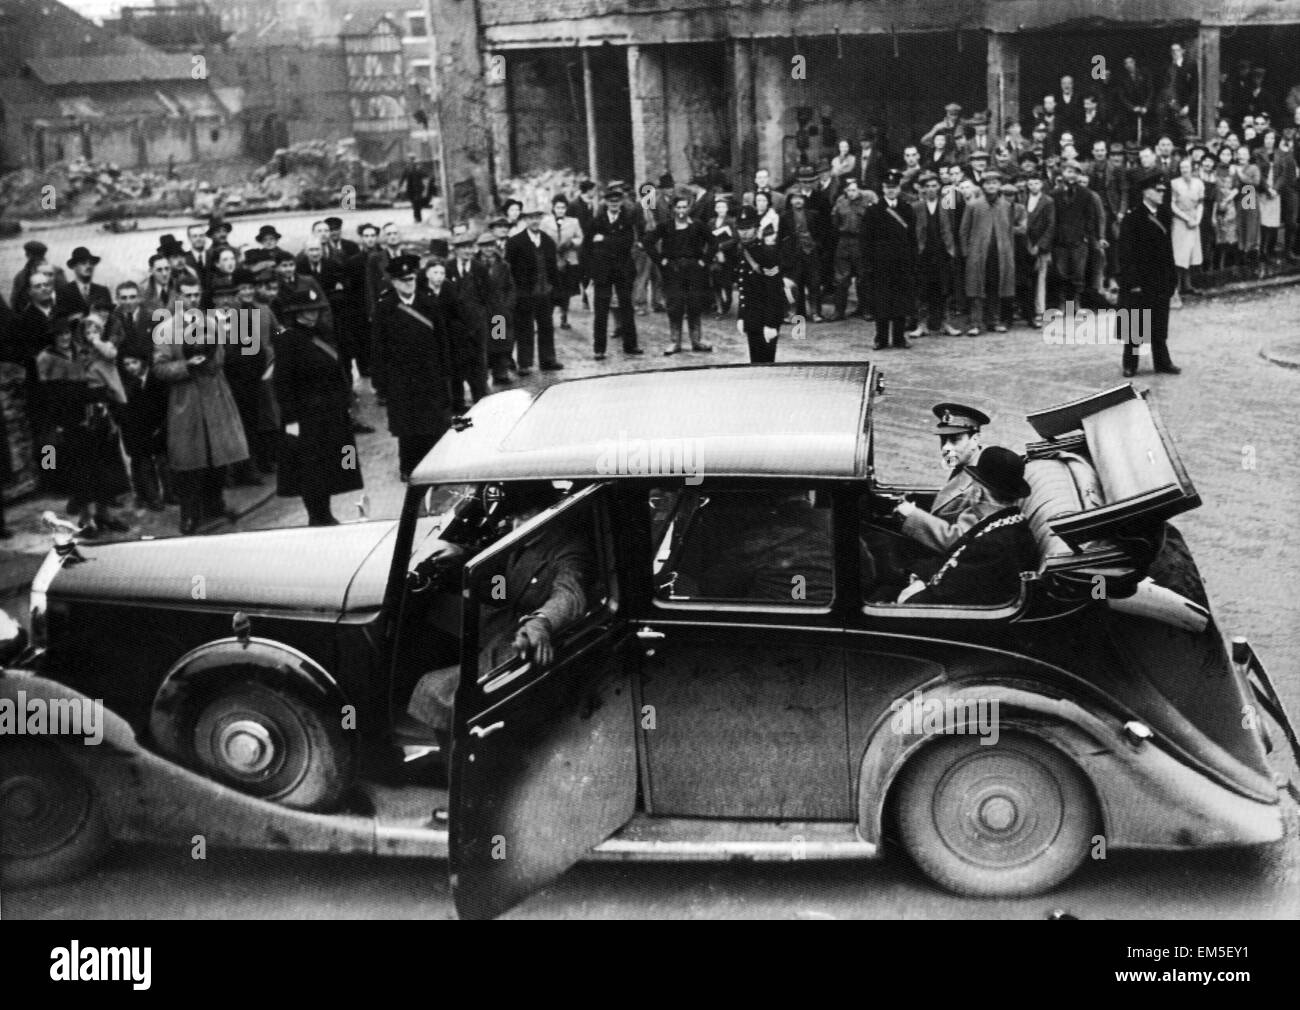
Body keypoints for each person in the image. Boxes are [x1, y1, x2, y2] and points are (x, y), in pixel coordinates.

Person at [406, 480, 592, 735]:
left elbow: (570, 596)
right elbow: (497, 561)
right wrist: (460, 552)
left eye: (525, 517)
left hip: (524, 639)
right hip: (506, 620)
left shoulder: (569, 548)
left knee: (434, 688)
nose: (515, 526)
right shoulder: (529, 534)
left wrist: (541, 621)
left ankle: (455, 757)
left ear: (548, 510)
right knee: (431, 613)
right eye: (513, 517)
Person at [152, 277, 250, 534]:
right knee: (189, 461)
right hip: (186, 400)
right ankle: (190, 513)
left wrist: (209, 357)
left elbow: (221, 357)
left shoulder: (211, 323)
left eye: (197, 295)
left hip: (215, 396)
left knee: (217, 456)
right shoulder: (166, 330)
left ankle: (215, 504)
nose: (193, 300)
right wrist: (186, 366)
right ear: (178, 298)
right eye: (188, 295)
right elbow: (159, 368)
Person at [897, 447, 1037, 606]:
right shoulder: (1003, 524)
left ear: (978, 493)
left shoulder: (993, 545)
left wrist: (909, 597)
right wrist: (922, 574)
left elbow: (951, 591)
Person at [272, 286, 364, 527]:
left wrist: (347, 401)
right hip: (306, 415)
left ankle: (326, 511)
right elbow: (282, 382)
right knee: (310, 469)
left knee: (336, 462)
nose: (311, 315)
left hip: (332, 411)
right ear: (295, 313)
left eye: (314, 310)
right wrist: (291, 419)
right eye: (305, 311)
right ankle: (317, 514)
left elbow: (339, 370)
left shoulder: (325, 333)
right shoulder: (287, 339)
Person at [36, 315, 132, 537]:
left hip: (97, 418)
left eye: (67, 333)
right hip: (71, 422)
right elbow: (54, 395)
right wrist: (91, 394)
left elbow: (103, 369)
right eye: (59, 334)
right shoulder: (45, 359)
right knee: (82, 472)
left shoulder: (81, 351)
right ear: (52, 337)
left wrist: (102, 398)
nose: (64, 338)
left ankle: (104, 514)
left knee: (106, 466)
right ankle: (87, 520)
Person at [372, 254, 454, 481]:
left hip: (429, 374)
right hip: (401, 378)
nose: (408, 284)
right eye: (403, 280)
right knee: (407, 428)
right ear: (394, 282)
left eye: (411, 279)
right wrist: (380, 382)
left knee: (434, 425)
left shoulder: (428, 302)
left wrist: (446, 371)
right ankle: (408, 468)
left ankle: (434, 468)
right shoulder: (385, 307)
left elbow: (442, 339)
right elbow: (378, 346)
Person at [1120, 168, 1180, 377]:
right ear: (1146, 192)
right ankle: (1130, 363)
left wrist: (1172, 277)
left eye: (1163, 190)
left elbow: (1168, 248)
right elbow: (1126, 253)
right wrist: (1132, 281)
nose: (1162, 193)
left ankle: (1162, 362)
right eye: (1158, 190)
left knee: (1159, 322)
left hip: (1160, 277)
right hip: (1140, 279)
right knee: (1135, 323)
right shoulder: (1133, 217)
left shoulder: (1164, 214)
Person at [643, 190, 713, 355]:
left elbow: (713, 243)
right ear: (673, 209)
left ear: (689, 208)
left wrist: (704, 261)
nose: (681, 211)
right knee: (675, 305)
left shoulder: (697, 225)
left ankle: (697, 340)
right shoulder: (666, 226)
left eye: (684, 207)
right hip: (673, 271)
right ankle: (675, 342)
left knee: (694, 304)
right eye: (678, 207)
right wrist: (661, 261)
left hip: (694, 270)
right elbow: (648, 242)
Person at [583, 185, 644, 360]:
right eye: (611, 201)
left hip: (623, 270)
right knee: (601, 310)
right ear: (606, 203)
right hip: (602, 271)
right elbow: (587, 246)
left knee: (627, 308)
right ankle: (599, 348)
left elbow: (627, 242)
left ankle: (630, 345)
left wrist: (604, 240)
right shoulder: (597, 221)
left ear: (621, 203)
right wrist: (589, 271)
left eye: (617, 201)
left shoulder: (627, 220)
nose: (614, 204)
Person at [960, 169, 1022, 334]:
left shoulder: (1006, 206)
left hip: (1000, 254)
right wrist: (966, 252)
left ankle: (993, 320)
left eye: (995, 183)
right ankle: (975, 323)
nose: (991, 186)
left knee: (996, 286)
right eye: (988, 183)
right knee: (976, 288)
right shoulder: (974, 205)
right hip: (978, 253)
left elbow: (1009, 231)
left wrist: (1010, 253)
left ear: (1000, 185)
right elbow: (964, 231)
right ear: (983, 186)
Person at [862, 168, 917, 350]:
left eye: (894, 187)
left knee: (901, 301)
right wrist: (868, 263)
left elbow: (912, 238)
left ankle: (899, 338)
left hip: (901, 263)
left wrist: (912, 261)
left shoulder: (907, 209)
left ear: (899, 188)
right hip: (881, 263)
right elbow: (866, 239)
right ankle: (881, 338)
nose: (891, 190)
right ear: (882, 189)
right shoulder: (873, 211)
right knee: (882, 301)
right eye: (887, 187)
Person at [506, 201, 563, 374]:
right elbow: (510, 269)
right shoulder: (515, 242)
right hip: (525, 292)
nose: (534, 221)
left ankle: (547, 359)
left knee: (546, 325)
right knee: (525, 327)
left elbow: (553, 268)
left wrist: (556, 290)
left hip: (545, 290)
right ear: (525, 220)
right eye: (530, 218)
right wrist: (516, 292)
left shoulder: (547, 241)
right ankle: (525, 363)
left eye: (537, 217)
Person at [911, 171, 960, 336]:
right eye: (927, 187)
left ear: (939, 187)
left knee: (945, 289)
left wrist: (952, 250)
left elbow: (954, 224)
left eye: (934, 186)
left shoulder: (947, 204)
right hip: (924, 253)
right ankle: (921, 324)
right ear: (923, 189)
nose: (931, 189)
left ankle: (946, 323)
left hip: (943, 252)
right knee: (922, 290)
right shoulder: (917, 207)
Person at [734, 207, 784, 363]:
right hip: (751, 316)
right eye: (741, 229)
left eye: (748, 228)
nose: (744, 233)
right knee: (755, 363)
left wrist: (771, 323)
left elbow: (774, 291)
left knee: (766, 363)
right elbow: (744, 289)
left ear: (757, 229)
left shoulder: (767, 253)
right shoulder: (742, 252)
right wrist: (741, 316)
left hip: (766, 316)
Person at [778, 178, 824, 325]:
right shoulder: (785, 217)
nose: (797, 201)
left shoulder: (813, 215)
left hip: (811, 254)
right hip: (793, 255)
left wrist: (816, 246)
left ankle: (816, 312)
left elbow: (820, 234)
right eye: (795, 199)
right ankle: (795, 313)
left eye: (800, 199)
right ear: (790, 201)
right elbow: (780, 237)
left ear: (804, 201)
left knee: (814, 284)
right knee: (794, 285)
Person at [539, 194, 584, 330]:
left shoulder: (573, 221)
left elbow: (580, 237)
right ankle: (549, 318)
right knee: (551, 289)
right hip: (551, 259)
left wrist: (571, 243)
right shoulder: (546, 222)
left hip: (568, 258)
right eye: (558, 207)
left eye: (563, 208)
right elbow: (539, 237)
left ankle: (564, 317)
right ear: (553, 208)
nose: (560, 210)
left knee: (566, 290)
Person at [1170, 156, 1205, 297]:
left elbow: (1201, 203)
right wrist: (1185, 218)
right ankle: (1176, 287)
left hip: (1194, 219)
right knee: (1179, 254)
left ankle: (1188, 285)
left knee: (1191, 253)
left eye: (1187, 167)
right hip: (1180, 220)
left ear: (1192, 168)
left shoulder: (1199, 183)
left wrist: (1197, 220)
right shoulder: (1174, 183)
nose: (1185, 170)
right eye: (1182, 167)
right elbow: (1172, 204)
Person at [55, 247, 112, 320]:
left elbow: (111, 319)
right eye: (83, 263)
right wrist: (73, 318)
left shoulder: (103, 291)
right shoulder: (63, 292)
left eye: (91, 263)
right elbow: (60, 321)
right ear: (74, 266)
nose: (88, 266)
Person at [707, 194, 738, 315]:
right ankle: (719, 306)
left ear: (727, 208)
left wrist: (722, 246)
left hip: (728, 255)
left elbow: (735, 238)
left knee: (727, 281)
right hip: (714, 255)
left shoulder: (731, 221)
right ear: (715, 209)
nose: (720, 209)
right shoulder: (711, 222)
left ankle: (728, 301)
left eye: (723, 207)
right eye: (718, 207)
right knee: (715, 281)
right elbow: (707, 236)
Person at [399, 155, 430, 224]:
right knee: (414, 203)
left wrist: (425, 189)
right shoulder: (407, 168)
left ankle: (418, 218)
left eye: (412, 159)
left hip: (418, 189)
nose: (411, 161)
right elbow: (403, 178)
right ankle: (417, 218)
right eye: (410, 159)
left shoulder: (418, 168)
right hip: (410, 189)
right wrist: (400, 186)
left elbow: (425, 177)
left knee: (417, 203)